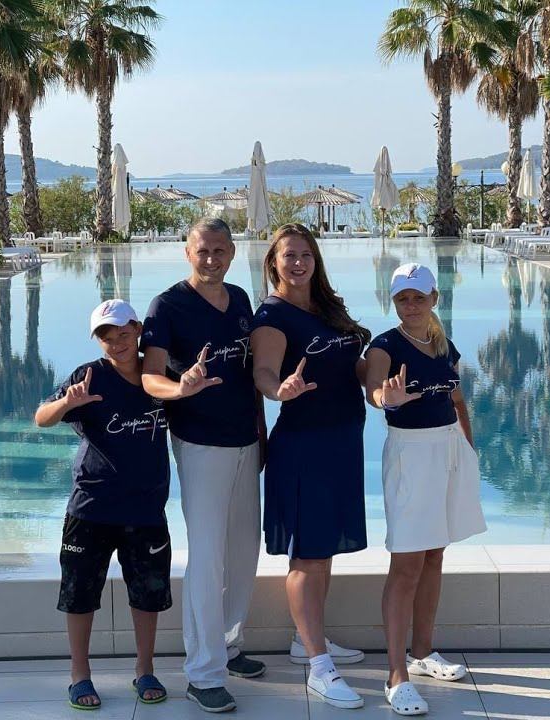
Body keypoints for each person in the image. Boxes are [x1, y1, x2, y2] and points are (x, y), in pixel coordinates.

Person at [140, 217, 266, 713]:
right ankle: (203, 673)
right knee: (209, 556)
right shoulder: (167, 306)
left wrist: (261, 433)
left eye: (219, 250)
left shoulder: (240, 299)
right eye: (202, 251)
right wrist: (180, 388)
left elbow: (250, 375)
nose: (211, 259)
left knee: (243, 550)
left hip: (245, 440)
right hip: (200, 443)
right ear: (187, 253)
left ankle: (229, 646)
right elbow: (150, 375)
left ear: (232, 252)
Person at [249, 223, 370, 710]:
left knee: (325, 550)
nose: (298, 263)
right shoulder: (272, 315)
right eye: (289, 256)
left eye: (305, 255)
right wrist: (278, 390)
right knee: (308, 557)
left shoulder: (326, 307)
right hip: (305, 447)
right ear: (273, 263)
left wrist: (381, 374)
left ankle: (308, 640)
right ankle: (320, 668)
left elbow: (352, 365)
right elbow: (263, 371)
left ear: (315, 260)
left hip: (342, 443)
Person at [33, 299, 172, 710]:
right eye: (107, 338)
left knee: (147, 596)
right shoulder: (88, 376)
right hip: (91, 508)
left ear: (138, 330)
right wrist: (67, 403)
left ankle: (144, 669)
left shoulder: (159, 377)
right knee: (79, 595)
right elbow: (41, 417)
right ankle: (80, 675)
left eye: (124, 334)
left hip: (145, 509)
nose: (118, 344)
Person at [362, 263, 487, 716]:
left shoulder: (442, 343)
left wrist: (468, 450)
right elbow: (374, 390)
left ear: (434, 298)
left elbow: (457, 399)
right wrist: (387, 398)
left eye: (418, 297)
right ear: (393, 301)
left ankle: (422, 652)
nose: (411, 305)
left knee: (435, 554)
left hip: (448, 450)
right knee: (407, 564)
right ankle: (396, 677)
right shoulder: (385, 346)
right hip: (411, 455)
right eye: (402, 298)